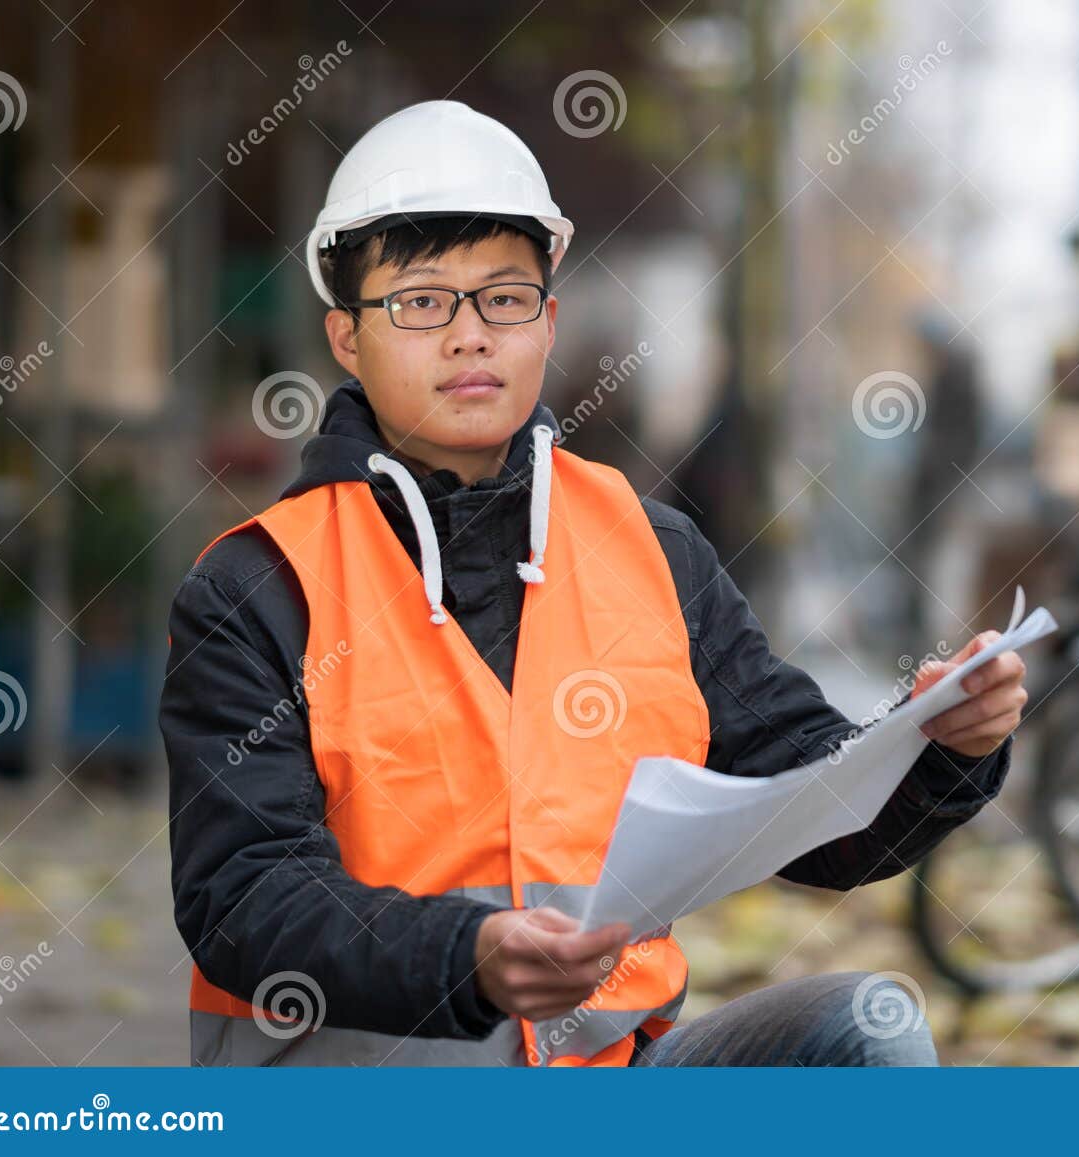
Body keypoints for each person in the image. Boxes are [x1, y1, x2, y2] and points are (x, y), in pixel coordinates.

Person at [159, 100, 1029, 1068]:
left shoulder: (651, 547)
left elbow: (809, 808)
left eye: (502, 297)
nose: (468, 335)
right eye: (419, 301)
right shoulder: (255, 586)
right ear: (346, 337)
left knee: (869, 1027)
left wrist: (939, 743)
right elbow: (241, 893)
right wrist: (466, 957)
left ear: (548, 321)